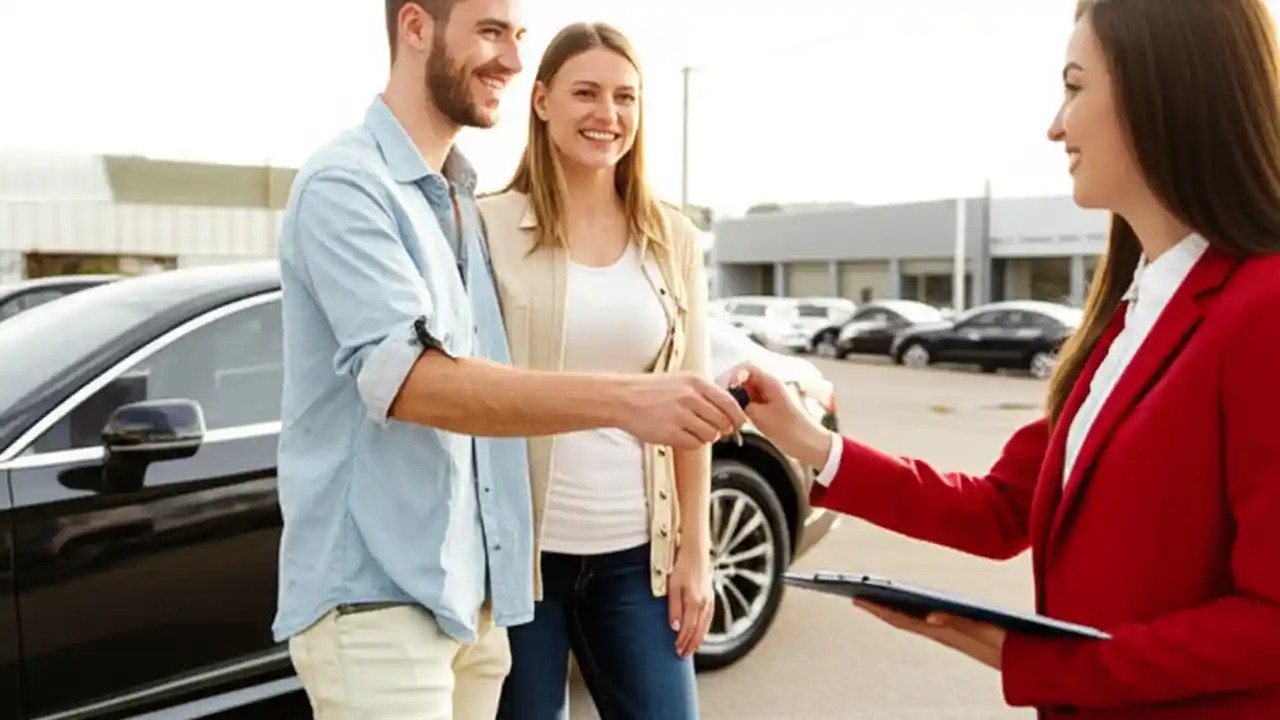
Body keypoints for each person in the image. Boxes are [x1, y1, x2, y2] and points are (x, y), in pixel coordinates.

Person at [730, 1, 1280, 718]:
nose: (1056, 125)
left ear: (1160, 88)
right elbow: (1000, 510)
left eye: (1076, 87)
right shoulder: (1133, 316)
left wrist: (1058, 667)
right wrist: (810, 444)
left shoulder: (1262, 309)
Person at [272, 2, 746, 719]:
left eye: (517, 37)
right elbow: (413, 383)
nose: (513, 59)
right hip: (385, 592)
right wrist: (625, 400)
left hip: (470, 591)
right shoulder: (356, 186)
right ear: (415, 26)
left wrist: (692, 545)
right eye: (491, 33)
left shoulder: (452, 202)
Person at [477, 22, 710, 720]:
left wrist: (695, 552)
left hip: (637, 560)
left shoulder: (673, 239)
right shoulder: (485, 226)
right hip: (520, 564)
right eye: (586, 93)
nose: (607, 116)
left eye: (625, 98)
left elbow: (690, 407)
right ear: (542, 100)